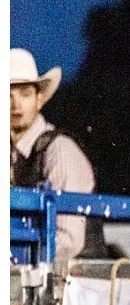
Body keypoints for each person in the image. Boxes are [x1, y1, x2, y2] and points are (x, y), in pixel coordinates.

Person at [10, 48, 104, 263]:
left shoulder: (59, 151)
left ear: (39, 99)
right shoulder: (10, 155)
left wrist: (14, 264)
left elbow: (68, 240)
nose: (16, 105)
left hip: (78, 283)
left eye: (25, 94)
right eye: (7, 95)